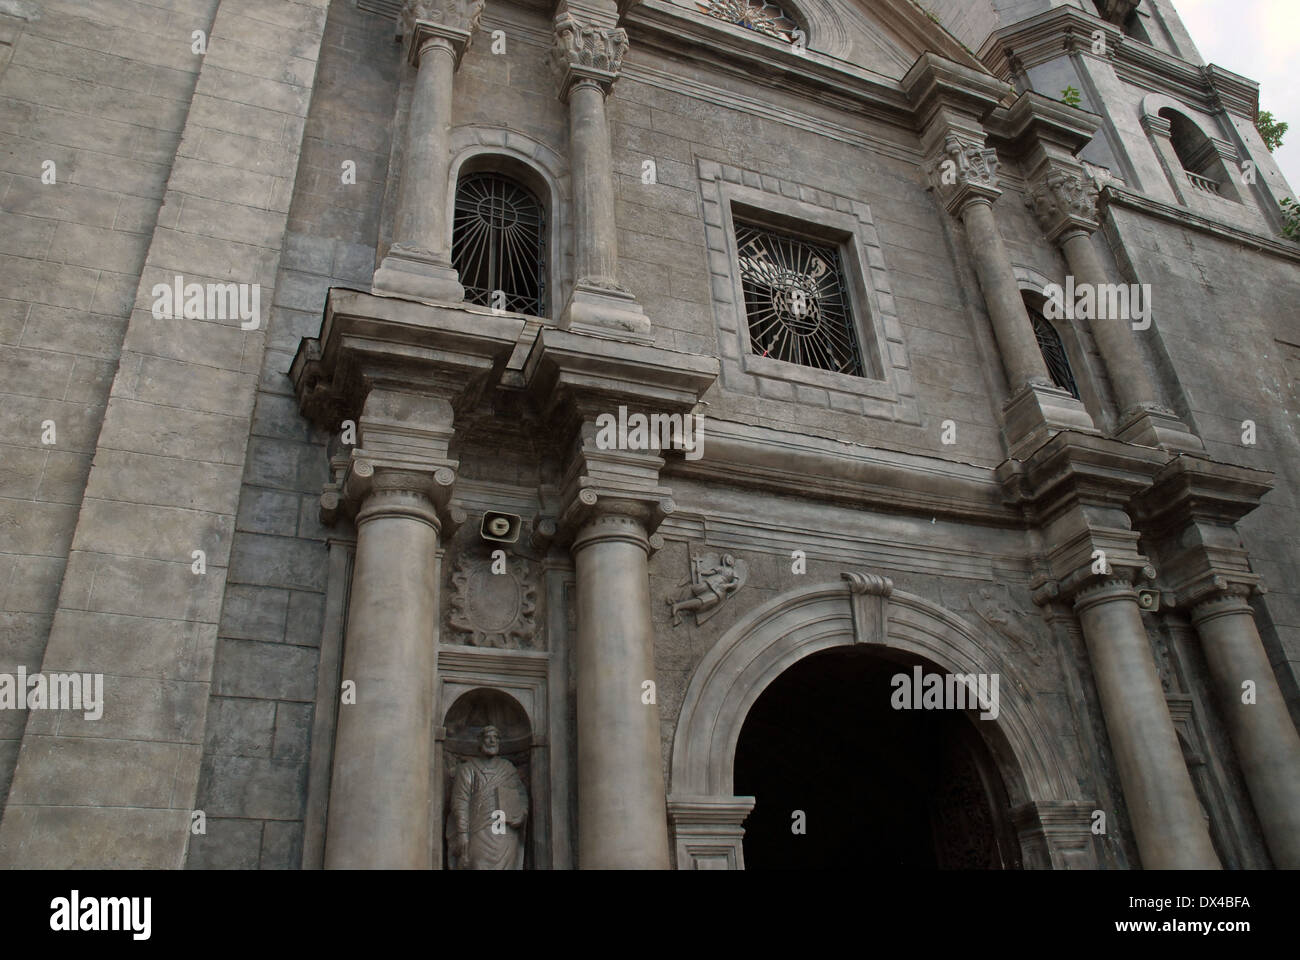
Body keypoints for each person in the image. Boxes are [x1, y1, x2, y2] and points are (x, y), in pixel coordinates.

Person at [449, 725, 528, 869]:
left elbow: (521, 796)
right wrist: (462, 833)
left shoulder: (508, 768)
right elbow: (460, 801)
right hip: (479, 832)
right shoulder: (468, 769)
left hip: (505, 834)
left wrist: (520, 814)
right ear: (480, 741)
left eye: (495, 737)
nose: (492, 741)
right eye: (488, 737)